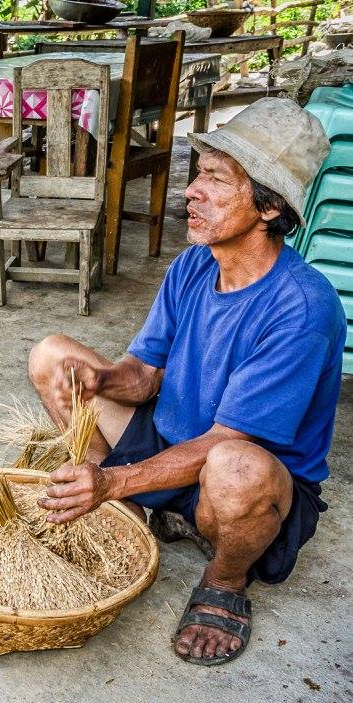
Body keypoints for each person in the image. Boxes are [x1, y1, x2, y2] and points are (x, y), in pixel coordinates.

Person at [26, 98, 343, 666]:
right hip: (170, 442)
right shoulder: (195, 264)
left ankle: (225, 580)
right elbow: (144, 377)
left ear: (269, 206)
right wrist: (100, 379)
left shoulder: (301, 308)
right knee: (53, 356)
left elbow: (227, 441)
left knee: (236, 468)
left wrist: (113, 480)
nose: (191, 191)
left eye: (215, 180)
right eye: (199, 174)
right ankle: (130, 510)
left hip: (247, 478)